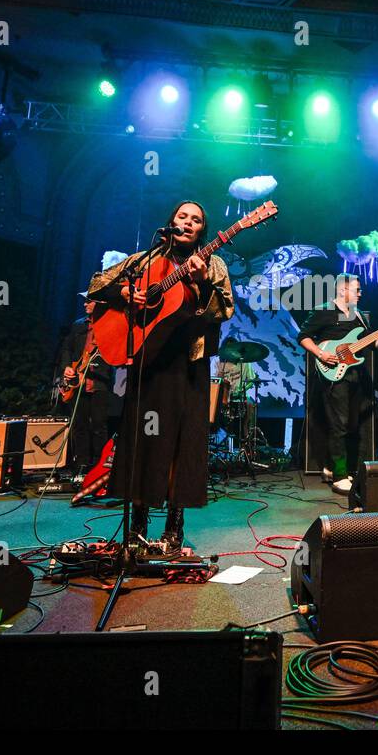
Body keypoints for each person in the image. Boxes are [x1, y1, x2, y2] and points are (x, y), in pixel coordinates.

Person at [87, 201, 233, 554]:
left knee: (182, 445)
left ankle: (174, 526)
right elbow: (96, 285)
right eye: (183, 216)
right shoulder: (146, 260)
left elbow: (225, 309)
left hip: (187, 364)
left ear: (203, 230)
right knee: (141, 440)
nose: (188, 222)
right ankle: (137, 522)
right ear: (171, 221)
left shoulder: (213, 264)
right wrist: (124, 293)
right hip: (148, 362)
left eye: (196, 219)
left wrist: (201, 285)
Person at [297, 273, 378, 494]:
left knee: (352, 425)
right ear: (343, 290)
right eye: (357, 290)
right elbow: (303, 336)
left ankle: (335, 468)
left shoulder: (357, 315)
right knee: (339, 424)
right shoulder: (324, 310)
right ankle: (340, 477)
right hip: (333, 374)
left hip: (354, 376)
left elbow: (372, 343)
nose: (361, 293)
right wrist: (321, 355)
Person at [55, 293, 113, 470]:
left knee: (99, 425)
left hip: (98, 383)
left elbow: (113, 354)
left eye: (89, 301)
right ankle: (81, 462)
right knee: (79, 424)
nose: (85, 304)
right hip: (75, 382)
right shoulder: (78, 325)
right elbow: (67, 349)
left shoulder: (108, 326)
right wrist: (66, 367)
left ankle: (99, 464)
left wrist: (95, 366)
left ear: (99, 303)